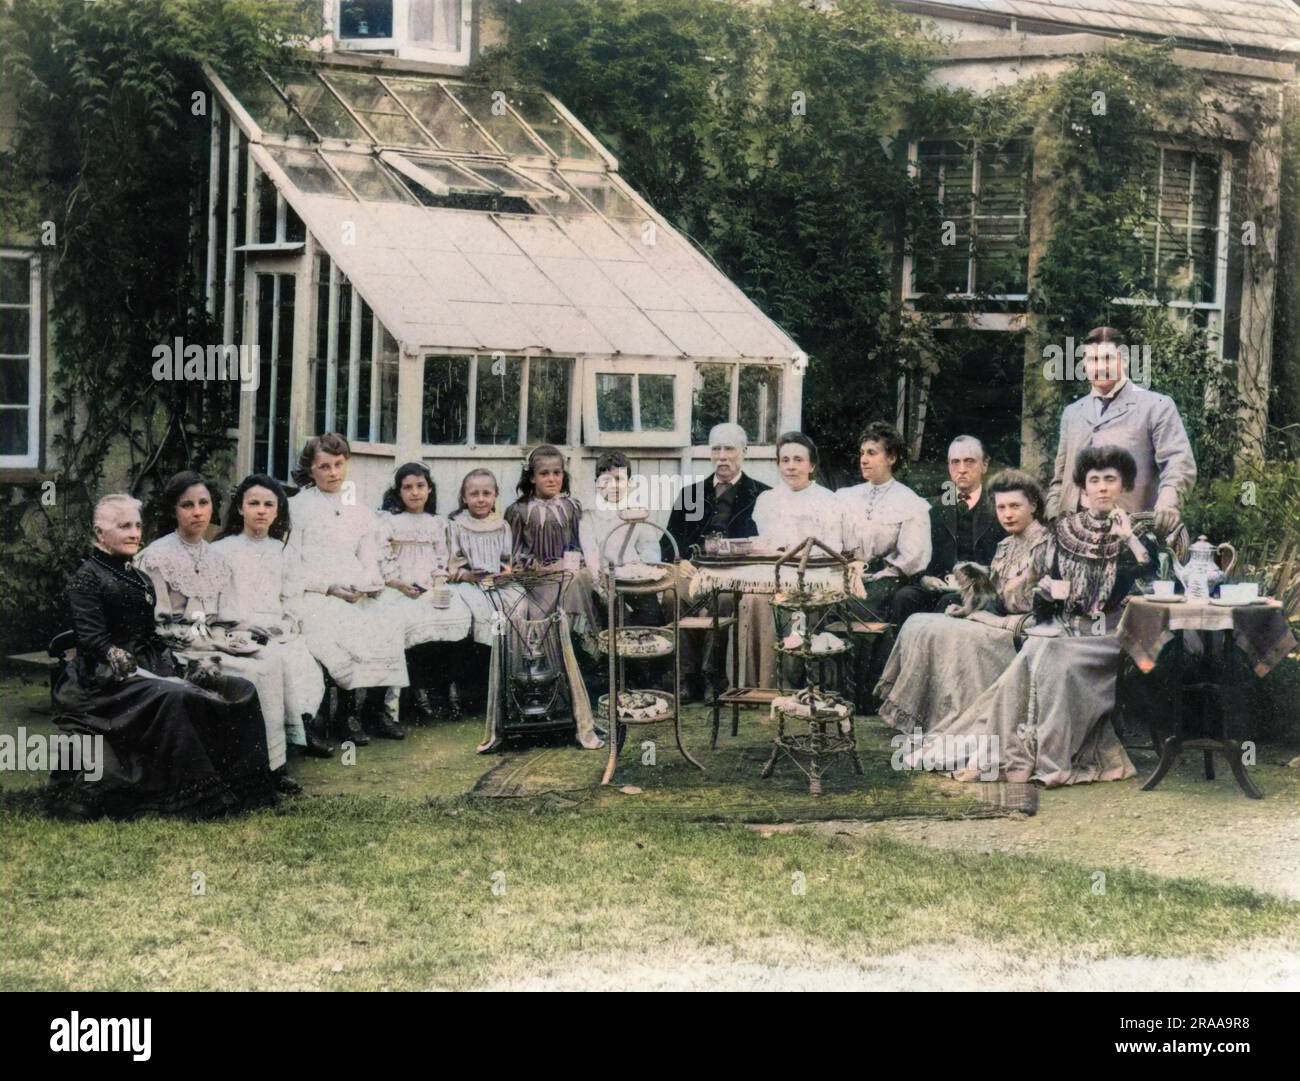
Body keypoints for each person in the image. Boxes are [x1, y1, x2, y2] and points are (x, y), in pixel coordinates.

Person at [890, 446, 1156, 788]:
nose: (1102, 487)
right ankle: (998, 755)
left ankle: (1038, 757)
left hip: (1108, 636)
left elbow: (1152, 578)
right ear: (1084, 488)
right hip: (1066, 630)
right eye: (1094, 480)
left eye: (1110, 480)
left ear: (1123, 486)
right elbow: (1037, 584)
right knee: (1037, 651)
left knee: (1046, 652)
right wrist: (1042, 593)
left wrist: (1129, 538)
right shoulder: (1066, 531)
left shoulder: (1137, 534)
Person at [49, 494, 277, 819]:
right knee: (177, 696)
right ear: (101, 534)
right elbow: (92, 640)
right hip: (103, 684)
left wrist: (186, 666)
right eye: (124, 526)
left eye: (138, 525)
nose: (134, 533)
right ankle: (194, 801)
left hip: (149, 668)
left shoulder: (139, 578)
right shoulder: (86, 578)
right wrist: (118, 655)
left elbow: (152, 636)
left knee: (239, 687)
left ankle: (245, 790)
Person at [137, 472, 303, 791]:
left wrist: (245, 632)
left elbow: (229, 615)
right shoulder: (157, 556)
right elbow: (158, 625)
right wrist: (213, 642)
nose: (198, 512)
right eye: (188, 505)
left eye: (204, 504)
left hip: (215, 643)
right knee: (251, 673)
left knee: (269, 661)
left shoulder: (216, 557)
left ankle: (272, 765)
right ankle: (247, 772)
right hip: (177, 650)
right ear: (174, 510)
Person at [875, 470, 1053, 738]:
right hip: (995, 623)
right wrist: (968, 608)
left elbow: (1045, 610)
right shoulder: (1006, 545)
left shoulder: (1046, 545)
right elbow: (994, 596)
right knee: (918, 623)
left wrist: (989, 619)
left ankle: (952, 718)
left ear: (1034, 505)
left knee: (948, 635)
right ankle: (926, 716)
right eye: (1001, 507)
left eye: (1015, 506)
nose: (1007, 514)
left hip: (1022, 633)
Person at [285, 433, 409, 744]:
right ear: (311, 469)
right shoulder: (296, 507)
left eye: (339, 465)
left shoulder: (358, 508)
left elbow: (367, 557)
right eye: (324, 466)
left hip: (355, 588)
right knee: (343, 624)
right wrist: (328, 587)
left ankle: (376, 711)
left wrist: (372, 583)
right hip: (315, 590)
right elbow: (290, 564)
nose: (333, 473)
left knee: (388, 619)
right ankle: (346, 715)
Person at [212, 474, 333, 760]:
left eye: (269, 504)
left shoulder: (282, 551)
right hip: (239, 627)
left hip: (277, 627)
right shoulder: (222, 550)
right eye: (253, 503)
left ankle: (301, 731)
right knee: (272, 667)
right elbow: (219, 600)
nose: (261, 510)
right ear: (241, 508)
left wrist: (288, 622)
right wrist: (241, 624)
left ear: (278, 510)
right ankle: (265, 740)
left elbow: (292, 595)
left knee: (304, 665)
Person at [1047, 325, 1196, 542]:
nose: (1100, 367)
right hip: (1074, 532)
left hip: (1130, 530)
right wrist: (1053, 514)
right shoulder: (1073, 413)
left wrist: (1168, 500)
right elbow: (1060, 476)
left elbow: (1178, 461)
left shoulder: (1156, 405)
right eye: (1093, 360)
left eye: (1107, 359)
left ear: (1124, 360)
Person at [498, 445, 602, 750]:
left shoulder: (571, 507)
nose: (552, 479)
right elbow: (513, 555)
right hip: (534, 580)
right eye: (544, 473)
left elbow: (578, 547)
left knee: (575, 583)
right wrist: (534, 565)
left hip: (565, 576)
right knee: (539, 609)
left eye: (557, 473)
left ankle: (574, 689)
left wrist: (570, 561)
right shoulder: (518, 511)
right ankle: (544, 696)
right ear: (531, 477)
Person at [661, 422, 770, 702]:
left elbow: (765, 545)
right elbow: (668, 543)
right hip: (694, 572)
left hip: (735, 574)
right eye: (716, 449)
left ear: (744, 452)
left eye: (729, 449)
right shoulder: (691, 495)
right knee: (674, 596)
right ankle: (685, 677)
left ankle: (713, 677)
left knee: (722, 601)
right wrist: (679, 560)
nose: (722, 456)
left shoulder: (761, 495)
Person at [743, 431, 845, 689]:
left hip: (814, 572)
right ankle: (761, 682)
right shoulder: (767, 500)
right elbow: (765, 543)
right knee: (752, 598)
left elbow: (834, 547)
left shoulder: (828, 501)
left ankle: (794, 682)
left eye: (798, 460)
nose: (790, 466)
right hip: (774, 571)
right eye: (785, 459)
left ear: (811, 465)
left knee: (796, 600)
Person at [375, 462, 474, 722]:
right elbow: (384, 558)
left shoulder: (437, 523)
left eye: (420, 486)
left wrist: (437, 579)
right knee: (409, 621)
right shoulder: (390, 522)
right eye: (407, 487)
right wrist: (398, 583)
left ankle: (450, 687)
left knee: (456, 614)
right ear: (398, 492)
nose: (415, 493)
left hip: (431, 586)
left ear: (429, 490)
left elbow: (442, 558)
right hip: (400, 587)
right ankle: (417, 691)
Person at [891, 435, 1005, 626]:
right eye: (955, 462)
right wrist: (924, 578)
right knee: (904, 598)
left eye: (969, 461)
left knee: (948, 603)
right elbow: (919, 554)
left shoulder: (998, 507)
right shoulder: (933, 508)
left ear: (984, 465)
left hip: (978, 591)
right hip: (940, 585)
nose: (961, 469)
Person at [580, 450, 666, 687]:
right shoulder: (589, 515)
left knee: (651, 614)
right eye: (606, 481)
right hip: (604, 580)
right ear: (597, 484)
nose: (614, 486)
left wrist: (647, 574)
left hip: (634, 578)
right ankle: (624, 678)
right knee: (621, 618)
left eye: (619, 479)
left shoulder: (636, 510)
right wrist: (602, 583)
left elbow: (649, 548)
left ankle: (649, 677)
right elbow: (591, 554)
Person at [835, 421, 931, 623]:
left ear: (891, 458)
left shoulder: (910, 502)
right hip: (844, 574)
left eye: (872, 453)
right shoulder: (845, 497)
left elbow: (912, 557)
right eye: (862, 453)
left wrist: (876, 573)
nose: (863, 459)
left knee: (856, 607)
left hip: (884, 580)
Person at [446, 467, 514, 713]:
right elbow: (452, 562)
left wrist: (505, 573)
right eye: (474, 494)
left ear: (495, 495)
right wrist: (467, 574)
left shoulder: (502, 525)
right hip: (467, 583)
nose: (481, 499)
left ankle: (499, 682)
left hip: (496, 584)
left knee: (512, 605)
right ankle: (464, 687)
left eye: (487, 493)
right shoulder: (457, 525)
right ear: (464, 497)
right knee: (474, 611)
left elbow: (508, 559)